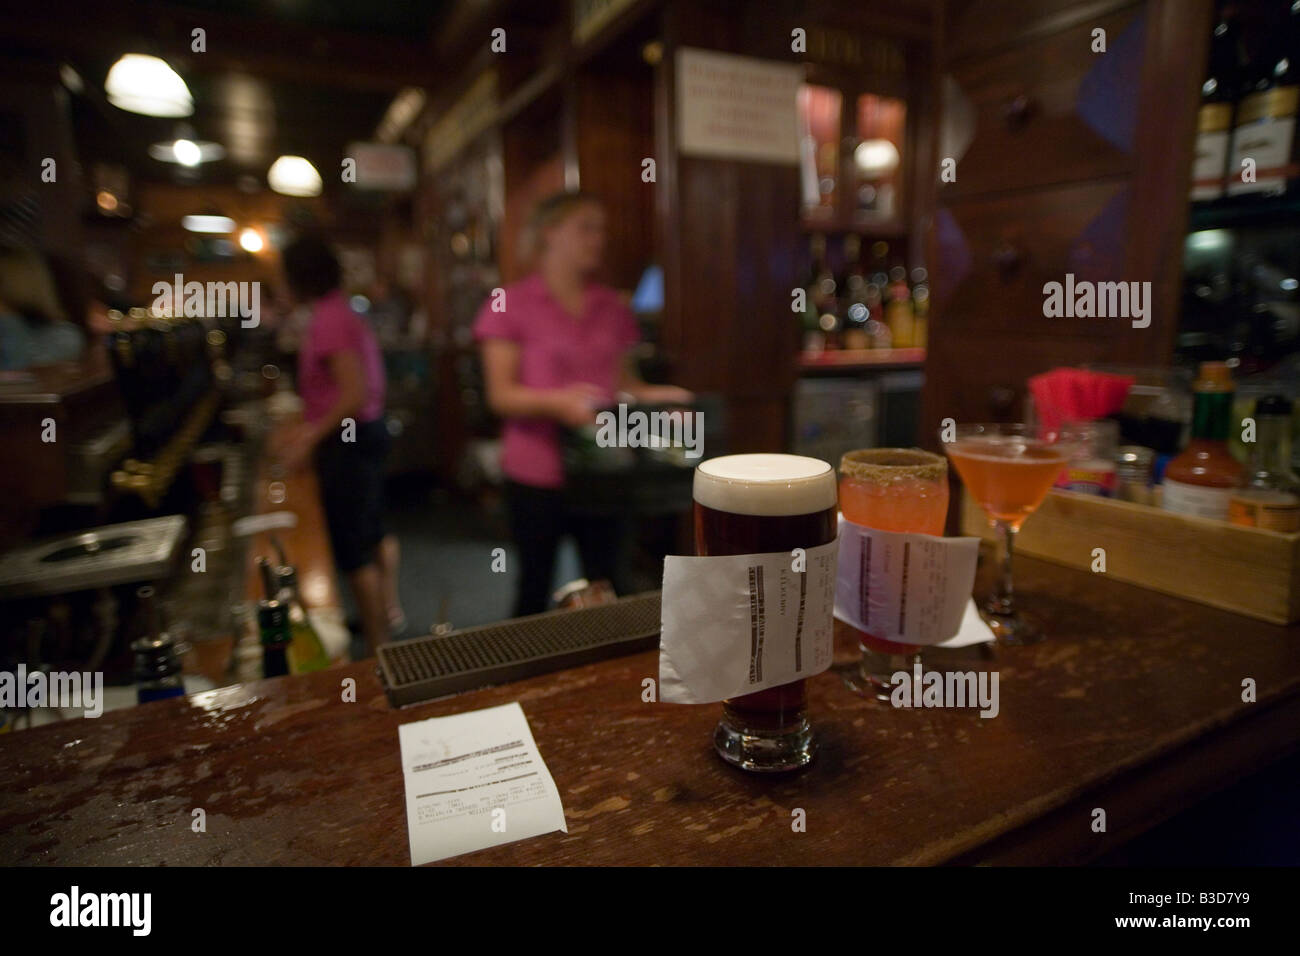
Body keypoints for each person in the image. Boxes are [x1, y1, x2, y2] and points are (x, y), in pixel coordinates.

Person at [475, 191, 692, 617]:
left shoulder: (613, 306)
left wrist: (666, 402)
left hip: (603, 467)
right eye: (586, 227)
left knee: (607, 583)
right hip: (536, 471)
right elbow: (500, 395)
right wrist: (557, 403)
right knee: (534, 584)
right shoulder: (509, 303)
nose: (599, 239)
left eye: (602, 230)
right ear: (550, 233)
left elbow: (625, 386)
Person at [278, 235, 404, 653]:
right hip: (366, 432)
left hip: (349, 439)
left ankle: (378, 646)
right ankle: (388, 612)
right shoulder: (341, 310)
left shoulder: (329, 318)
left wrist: (311, 437)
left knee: (353, 547)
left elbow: (351, 393)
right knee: (375, 529)